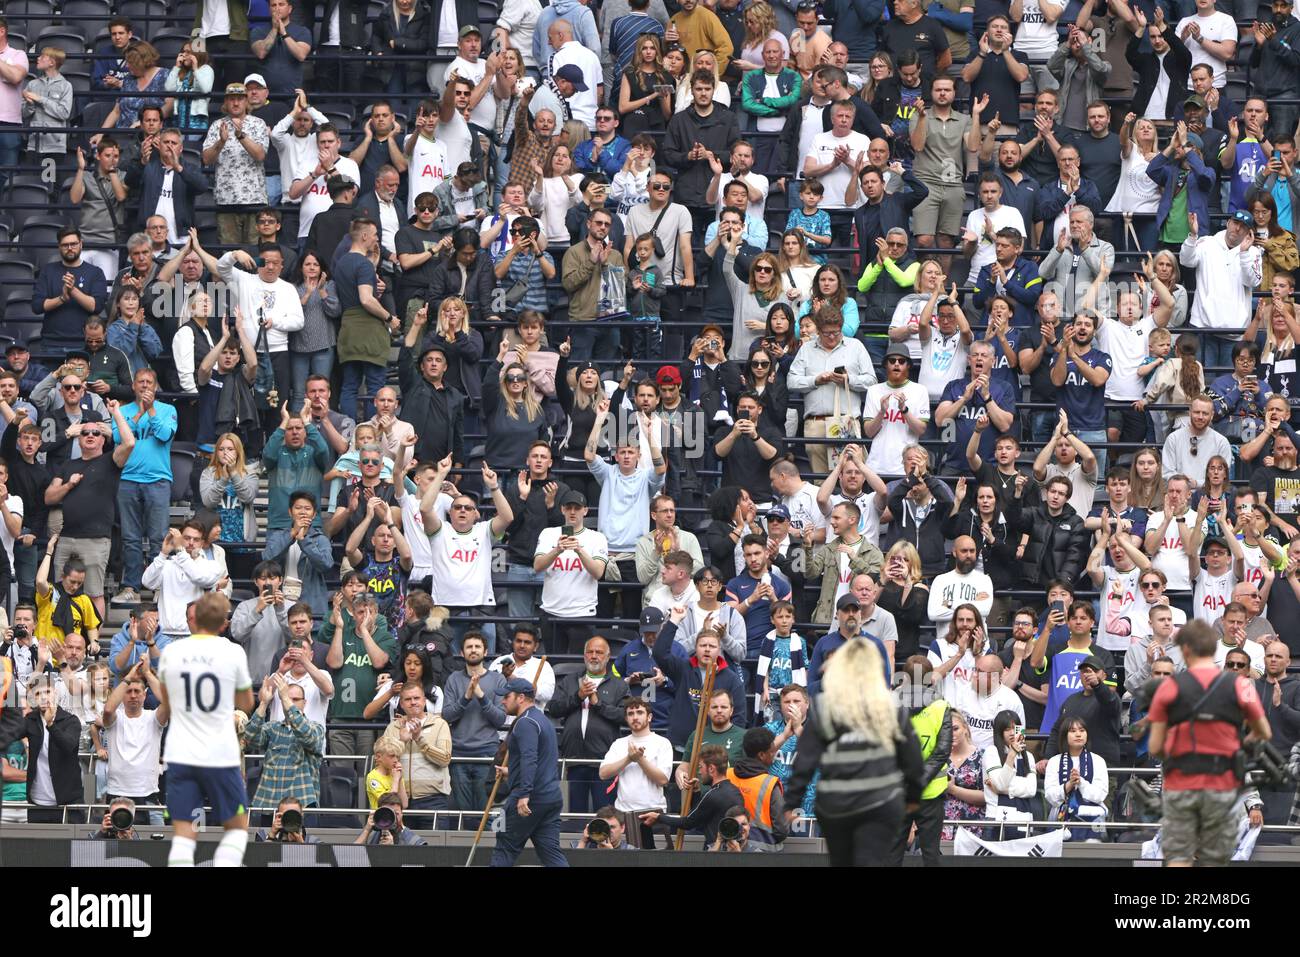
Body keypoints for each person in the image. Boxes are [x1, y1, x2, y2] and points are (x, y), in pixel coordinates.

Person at [785, 637, 923, 865]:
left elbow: (805, 760)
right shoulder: (892, 706)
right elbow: (913, 759)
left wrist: (791, 802)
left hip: (836, 803)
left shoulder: (824, 706)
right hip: (882, 801)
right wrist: (913, 799)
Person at [1148, 619, 1271, 866]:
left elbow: (1155, 748)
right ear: (1214, 650)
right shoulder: (1238, 686)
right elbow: (1263, 732)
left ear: (1184, 650)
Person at [157, 593, 253, 866]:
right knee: (236, 829)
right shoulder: (232, 651)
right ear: (224, 623)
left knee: (184, 836)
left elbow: (169, 703)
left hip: (180, 753)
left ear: (194, 619)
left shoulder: (172, 652)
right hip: (220, 754)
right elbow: (246, 703)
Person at [491, 677, 569, 867]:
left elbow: (530, 758)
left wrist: (524, 793)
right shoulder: (543, 720)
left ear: (521, 698)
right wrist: (513, 772)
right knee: (550, 854)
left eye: (507, 697)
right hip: (550, 797)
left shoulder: (524, 722)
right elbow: (541, 762)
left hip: (529, 797)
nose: (502, 701)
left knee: (505, 847)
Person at [1181, 210, 1264, 373]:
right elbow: (1186, 260)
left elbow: (1253, 281)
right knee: (1203, 384)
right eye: (1235, 223)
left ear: (1249, 232)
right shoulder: (1206, 243)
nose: (1237, 229)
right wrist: (1192, 235)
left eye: (1243, 227)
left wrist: (1245, 254)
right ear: (1228, 223)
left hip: (1235, 332)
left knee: (1229, 385)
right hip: (1204, 328)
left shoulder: (1253, 252)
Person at [442, 632, 508, 817]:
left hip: (486, 754)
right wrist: (466, 697)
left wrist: (480, 695)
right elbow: (447, 715)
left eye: (477, 647)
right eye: (469, 647)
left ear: (485, 651)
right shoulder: (454, 679)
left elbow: (500, 719)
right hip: (459, 754)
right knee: (463, 813)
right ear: (462, 653)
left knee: (485, 812)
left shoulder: (498, 679)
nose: (473, 650)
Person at [243, 673, 325, 814]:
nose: (290, 702)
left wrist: (285, 698)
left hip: (302, 803)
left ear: (304, 703)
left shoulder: (316, 727)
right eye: (286, 698)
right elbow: (249, 739)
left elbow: (306, 735)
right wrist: (264, 703)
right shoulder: (272, 728)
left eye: (295, 699)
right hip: (269, 803)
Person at [378, 685, 453, 824]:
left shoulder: (439, 724)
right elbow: (382, 763)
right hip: (400, 802)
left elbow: (445, 759)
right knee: (402, 845)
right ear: (401, 704)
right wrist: (401, 742)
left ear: (424, 701)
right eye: (408, 699)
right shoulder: (393, 727)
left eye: (417, 698)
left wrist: (419, 738)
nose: (413, 702)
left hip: (433, 799)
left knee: (434, 845)